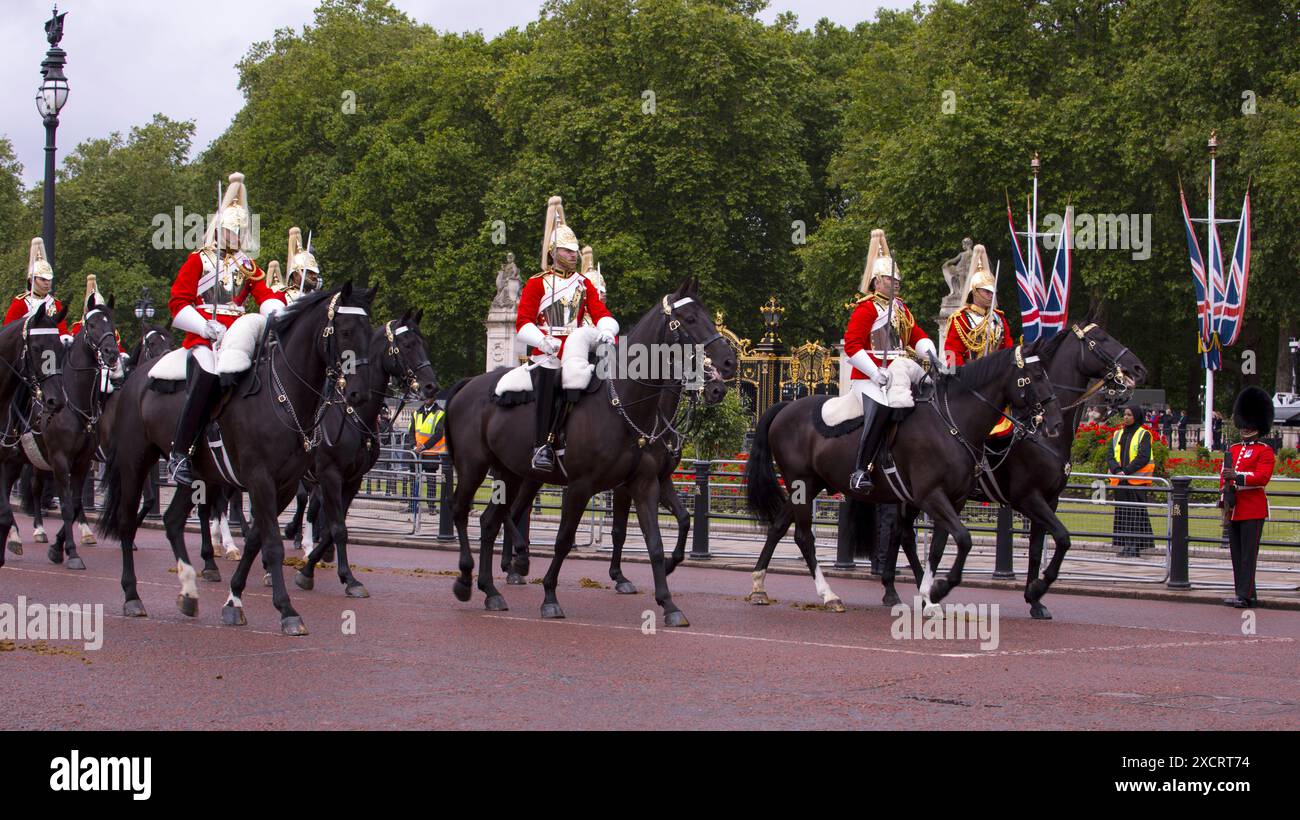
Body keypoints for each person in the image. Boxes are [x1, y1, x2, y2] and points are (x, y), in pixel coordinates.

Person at [165, 172, 286, 485]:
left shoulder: (248, 266)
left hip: (240, 338)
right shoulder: (198, 260)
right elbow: (177, 304)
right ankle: (180, 453)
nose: (234, 237)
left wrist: (277, 311)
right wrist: (205, 327)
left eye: (239, 232)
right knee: (205, 375)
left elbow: (266, 296)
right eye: (230, 230)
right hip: (204, 338)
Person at [514, 195, 619, 471]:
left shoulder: (584, 284)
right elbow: (522, 322)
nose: (573, 255)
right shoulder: (537, 284)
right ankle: (542, 446)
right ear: (553, 252)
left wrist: (607, 330)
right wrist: (542, 340)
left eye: (574, 251)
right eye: (567, 250)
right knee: (550, 379)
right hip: (546, 352)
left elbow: (600, 313)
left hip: (578, 349)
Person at [844, 228, 938, 491]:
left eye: (897, 279)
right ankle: (860, 471)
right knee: (882, 409)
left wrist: (931, 353)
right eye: (889, 278)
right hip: (869, 377)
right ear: (876, 281)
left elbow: (915, 336)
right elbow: (851, 346)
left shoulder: (901, 309)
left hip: (899, 371)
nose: (895, 283)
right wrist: (874, 373)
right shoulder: (866, 308)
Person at [943, 243, 1013, 437]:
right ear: (974, 292)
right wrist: (959, 376)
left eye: (993, 292)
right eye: (986, 292)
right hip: (971, 378)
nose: (991, 296)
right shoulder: (961, 318)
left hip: (997, 379)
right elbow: (951, 351)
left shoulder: (999, 318)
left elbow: (1007, 347)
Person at [1220, 386, 1275, 608]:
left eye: (1248, 424)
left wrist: (1238, 477)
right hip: (1234, 508)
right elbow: (1223, 475)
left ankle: (1245, 594)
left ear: (1258, 426)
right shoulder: (1233, 449)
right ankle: (1243, 593)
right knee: (1237, 553)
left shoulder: (1265, 451)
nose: (1245, 428)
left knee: (1248, 556)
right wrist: (1224, 494)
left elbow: (1262, 477)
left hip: (1252, 508)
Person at [1108, 402, 1155, 557]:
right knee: (1123, 513)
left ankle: (1135, 546)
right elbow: (1110, 456)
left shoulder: (1144, 434)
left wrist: (1125, 471)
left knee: (1136, 514)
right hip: (1120, 481)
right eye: (1125, 415)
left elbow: (1143, 457)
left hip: (1137, 481)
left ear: (1136, 417)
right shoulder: (1117, 434)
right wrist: (1117, 470)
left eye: (1129, 415)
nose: (1126, 417)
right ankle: (1126, 545)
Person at [6, 238, 70, 337]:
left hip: (49, 349)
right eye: (43, 280)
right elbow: (8, 331)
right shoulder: (21, 302)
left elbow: (62, 331)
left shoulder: (55, 303)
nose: (47, 283)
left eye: (49, 280)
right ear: (32, 280)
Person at [409, 393, 446, 514]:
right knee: (413, 478)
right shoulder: (416, 413)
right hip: (416, 453)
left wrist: (424, 447)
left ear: (434, 398)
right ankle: (412, 505)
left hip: (431, 452)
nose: (427, 398)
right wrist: (414, 446)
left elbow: (438, 434)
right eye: (425, 396)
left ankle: (431, 506)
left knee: (431, 480)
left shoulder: (440, 413)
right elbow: (411, 432)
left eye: (429, 396)